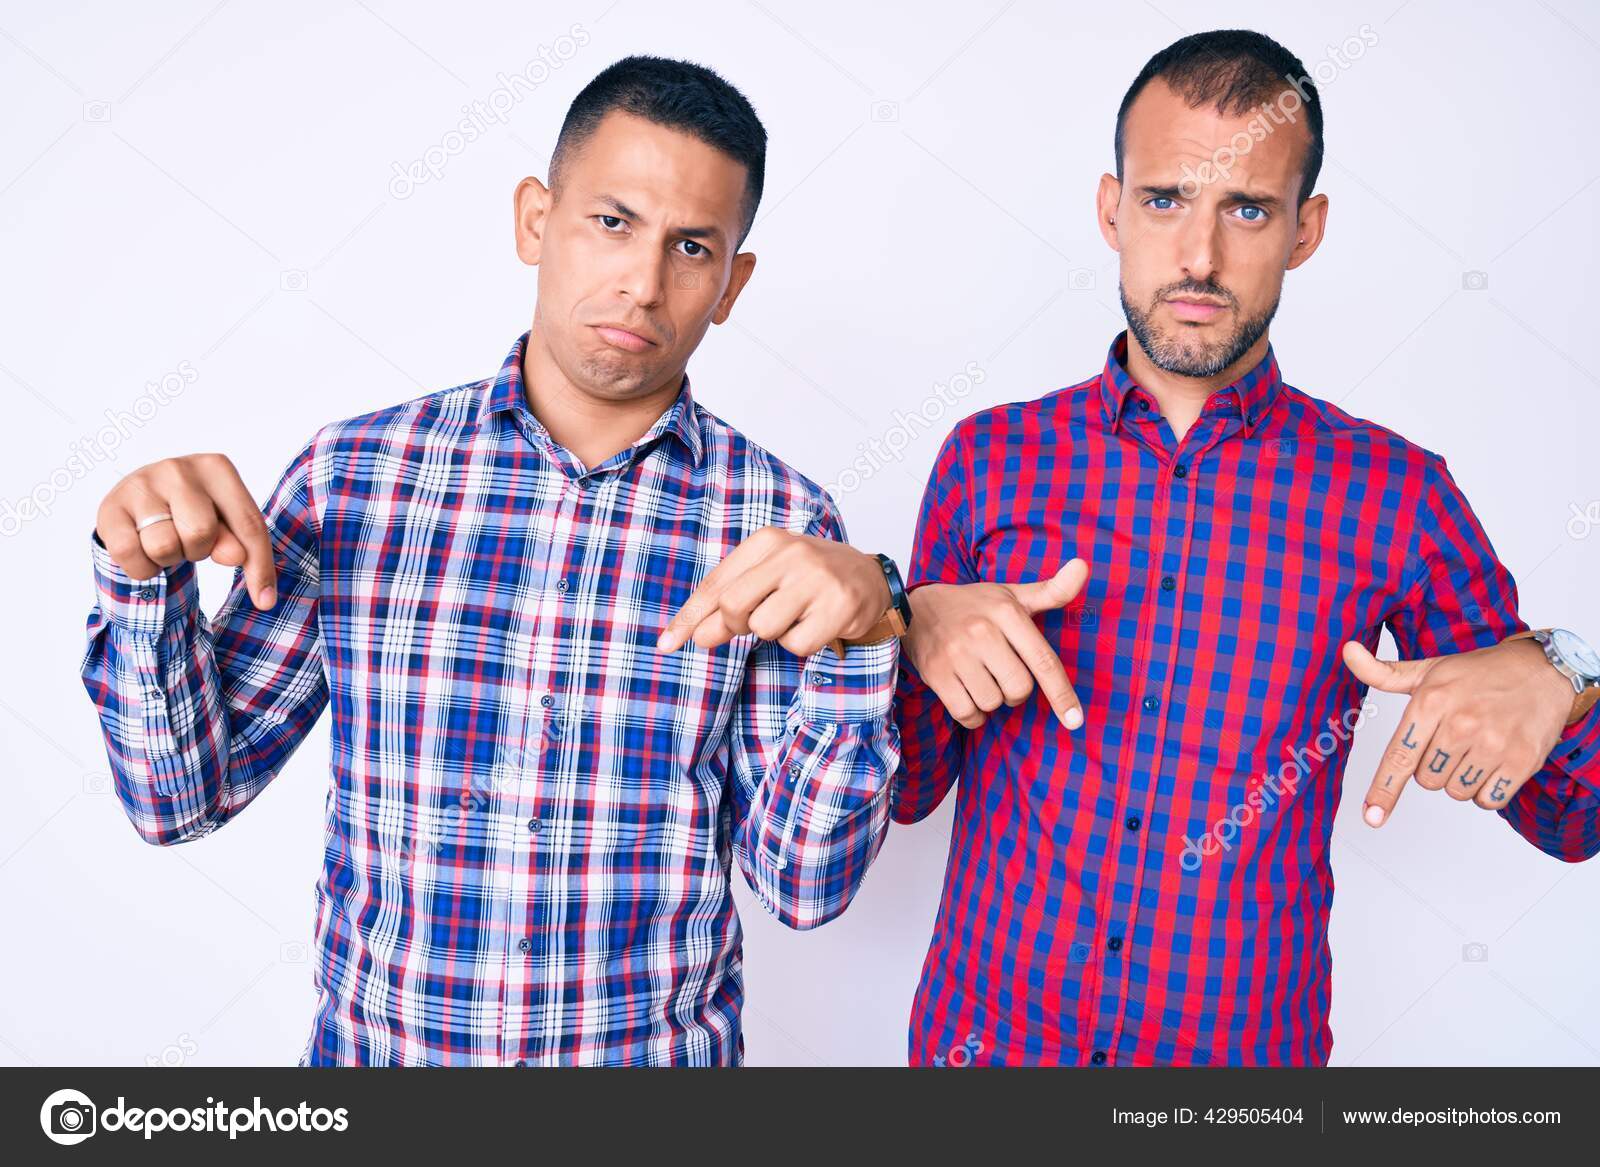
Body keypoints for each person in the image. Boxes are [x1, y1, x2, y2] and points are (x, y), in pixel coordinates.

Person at [79, 55, 911, 1067]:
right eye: (611, 222)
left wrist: (867, 639)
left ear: (731, 283)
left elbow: (801, 888)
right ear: (535, 219)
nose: (641, 284)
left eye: (691, 247)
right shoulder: (357, 478)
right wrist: (141, 576)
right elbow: (177, 801)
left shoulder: (781, 519)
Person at [890, 29, 1600, 1066]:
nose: (1198, 258)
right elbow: (905, 789)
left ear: (1305, 229)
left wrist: (1566, 670)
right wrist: (903, 625)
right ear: (1110, 209)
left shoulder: (1396, 494)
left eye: (1249, 210)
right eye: (1166, 199)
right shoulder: (986, 459)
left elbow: (1568, 814)